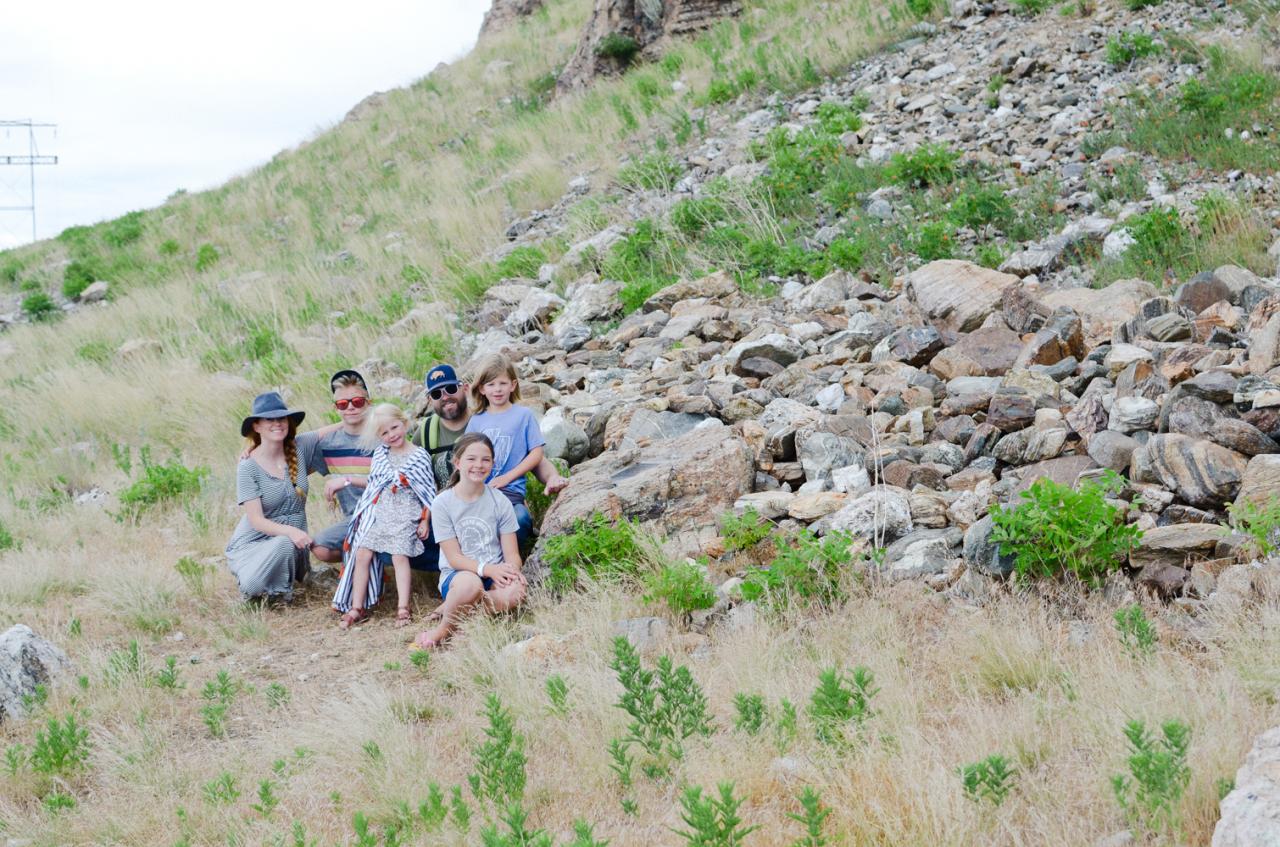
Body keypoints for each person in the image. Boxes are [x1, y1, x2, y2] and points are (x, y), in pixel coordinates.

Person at [407, 362, 566, 571]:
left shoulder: (490, 416)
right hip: (454, 505)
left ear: (464, 387)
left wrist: (552, 477)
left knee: (517, 519)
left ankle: (498, 568)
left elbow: (535, 456)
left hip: (499, 497)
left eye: (450, 389)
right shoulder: (426, 432)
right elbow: (409, 472)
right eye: (437, 393)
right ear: (429, 399)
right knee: (403, 540)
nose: (445, 396)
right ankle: (462, 566)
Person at [414, 433, 526, 650]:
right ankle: (444, 629)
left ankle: (457, 613)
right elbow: (454, 558)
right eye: (471, 459)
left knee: (517, 592)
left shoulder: (499, 501)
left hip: (494, 572)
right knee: (470, 584)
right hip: (460, 576)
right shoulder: (443, 503)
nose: (479, 465)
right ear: (457, 463)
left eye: (486, 460)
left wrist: (512, 571)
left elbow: (511, 553)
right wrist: (487, 569)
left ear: (493, 464)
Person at [332, 404, 436, 628]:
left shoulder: (419, 456)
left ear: (405, 423)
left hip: (407, 512)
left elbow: (428, 491)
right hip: (381, 511)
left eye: (395, 428)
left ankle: (403, 608)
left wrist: (425, 519)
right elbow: (374, 484)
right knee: (362, 552)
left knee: (399, 555)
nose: (392, 435)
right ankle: (356, 607)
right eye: (384, 433)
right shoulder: (381, 454)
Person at [224, 392, 316, 601]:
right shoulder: (248, 467)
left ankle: (281, 586)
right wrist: (291, 532)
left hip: (293, 542)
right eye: (269, 419)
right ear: (256, 426)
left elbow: (333, 430)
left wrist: (362, 410)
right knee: (254, 584)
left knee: (286, 545)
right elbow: (256, 520)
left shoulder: (298, 450)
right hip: (255, 542)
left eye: (281, 418)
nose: (277, 423)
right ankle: (257, 583)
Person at [464, 354, 546, 543]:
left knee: (519, 519)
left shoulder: (523, 415)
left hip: (511, 493)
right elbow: (466, 456)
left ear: (513, 385)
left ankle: (513, 557)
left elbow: (537, 453)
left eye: (502, 383)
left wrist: (507, 478)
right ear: (482, 389)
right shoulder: (476, 421)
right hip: (480, 492)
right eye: (491, 384)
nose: (497, 389)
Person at [309, 370, 374, 564]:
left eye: (358, 402)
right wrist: (253, 447)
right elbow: (294, 459)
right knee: (320, 547)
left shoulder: (384, 437)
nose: (351, 408)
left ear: (368, 402)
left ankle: (366, 562)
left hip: (384, 513)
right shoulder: (329, 444)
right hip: (352, 519)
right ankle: (357, 559)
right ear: (336, 407)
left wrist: (347, 480)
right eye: (343, 404)